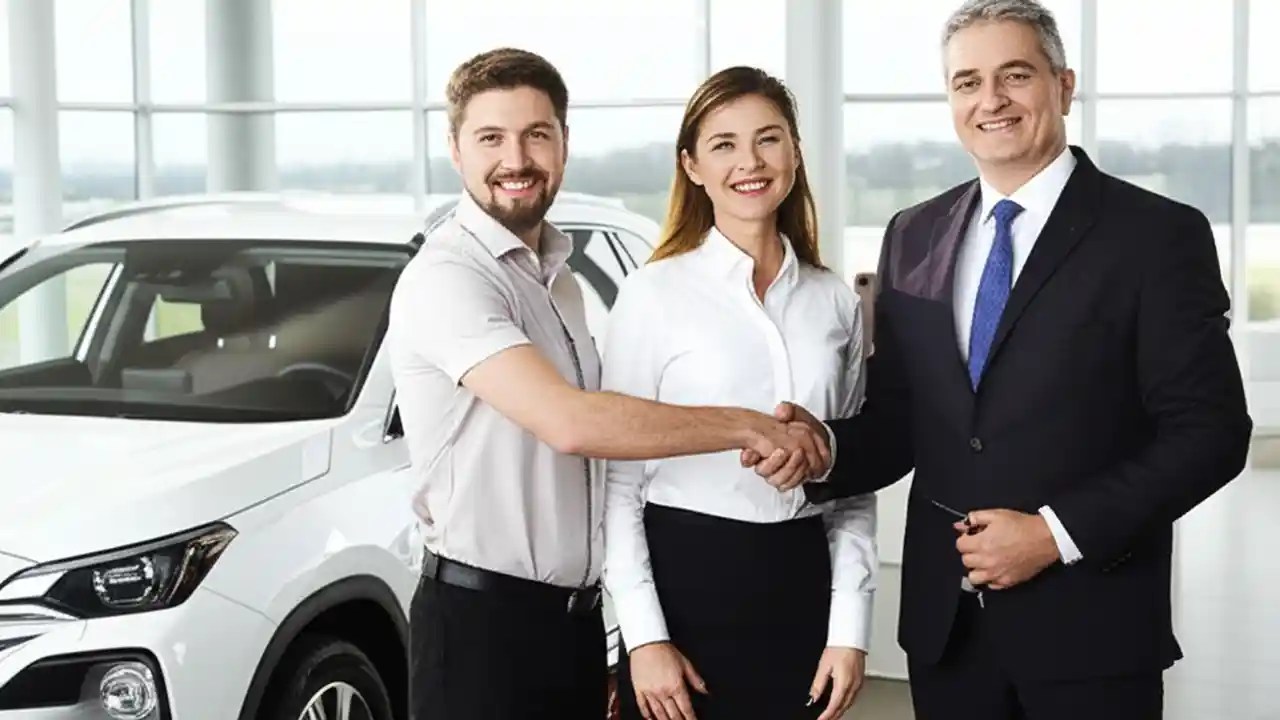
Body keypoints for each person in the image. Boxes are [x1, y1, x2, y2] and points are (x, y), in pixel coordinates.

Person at [751, 1, 1254, 718]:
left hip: (1093, 632)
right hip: (947, 632)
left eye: (1014, 76)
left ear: (1064, 85)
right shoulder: (912, 234)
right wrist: (822, 446)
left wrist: (1054, 534)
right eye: (967, 82)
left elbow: (1210, 434)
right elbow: (904, 419)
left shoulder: (1156, 238)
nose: (990, 101)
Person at [386, 48, 832, 720]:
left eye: (537, 134)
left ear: (564, 144)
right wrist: (750, 425)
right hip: (482, 625)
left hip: (570, 623)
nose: (517, 158)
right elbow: (573, 424)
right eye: (491, 138)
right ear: (454, 149)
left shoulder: (555, 276)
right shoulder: (449, 277)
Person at [601, 66, 878, 720]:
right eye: (723, 143)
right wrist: (644, 637)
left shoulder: (833, 301)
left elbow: (852, 480)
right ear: (691, 165)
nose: (749, 162)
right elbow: (618, 481)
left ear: (795, 153)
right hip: (685, 592)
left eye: (768, 139)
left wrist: (849, 630)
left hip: (802, 594)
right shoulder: (653, 294)